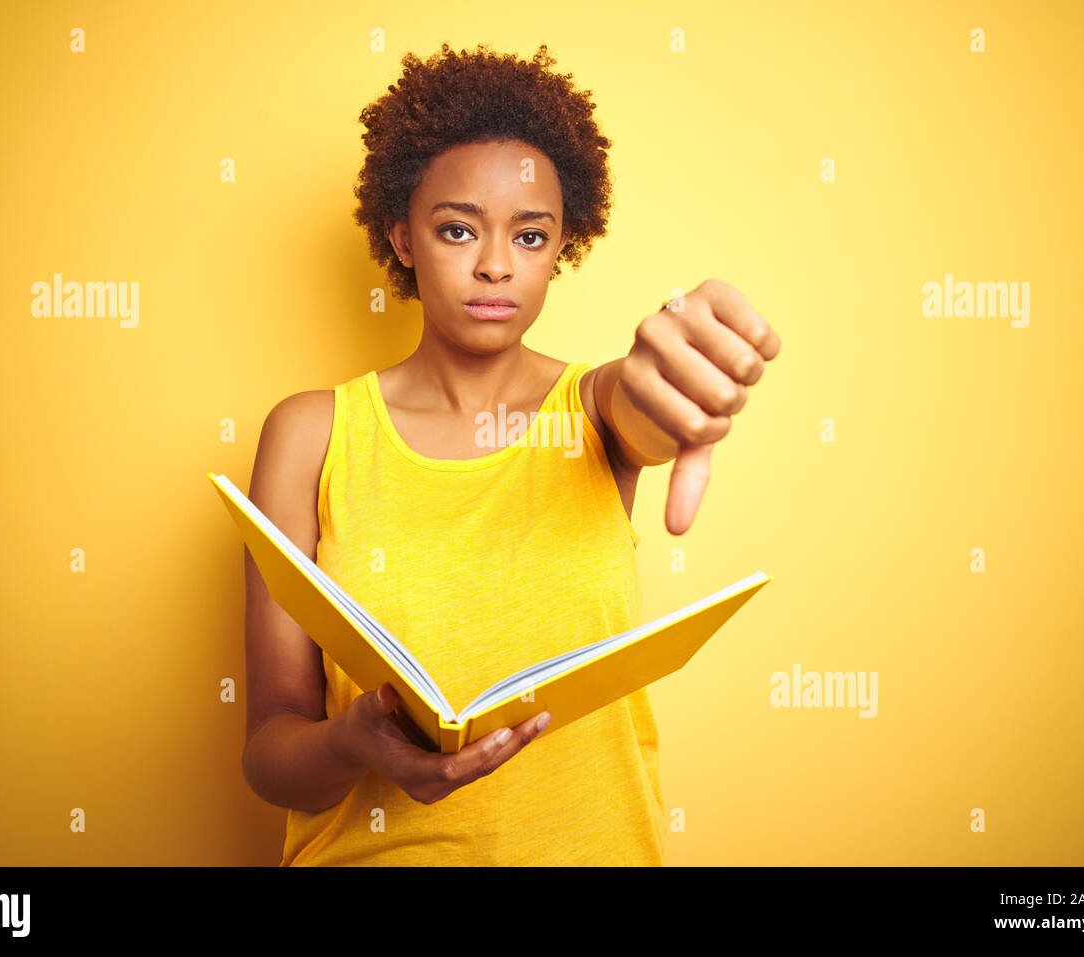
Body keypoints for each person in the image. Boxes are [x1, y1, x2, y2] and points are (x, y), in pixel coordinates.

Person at [240, 42, 780, 865]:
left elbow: (640, 406)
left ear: (564, 246)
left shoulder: (594, 413)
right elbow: (271, 753)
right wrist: (355, 742)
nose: (495, 265)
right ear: (403, 235)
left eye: (531, 237)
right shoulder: (311, 433)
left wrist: (675, 368)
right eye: (458, 229)